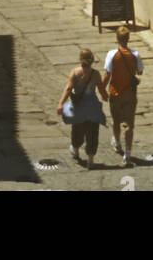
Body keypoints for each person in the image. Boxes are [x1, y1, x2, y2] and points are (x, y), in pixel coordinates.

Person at [57, 49, 108, 169]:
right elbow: (101, 91)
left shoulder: (75, 72)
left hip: (78, 108)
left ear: (80, 59)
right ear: (92, 60)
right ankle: (90, 160)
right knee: (93, 134)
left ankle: (75, 151)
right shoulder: (95, 74)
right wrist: (106, 97)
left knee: (77, 131)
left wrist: (61, 103)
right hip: (92, 109)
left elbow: (68, 89)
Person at [102, 24, 143, 165]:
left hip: (115, 93)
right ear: (128, 38)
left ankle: (117, 142)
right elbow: (139, 71)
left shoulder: (112, 55)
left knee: (116, 121)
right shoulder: (135, 55)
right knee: (129, 124)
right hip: (130, 94)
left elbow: (107, 74)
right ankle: (128, 153)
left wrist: (101, 90)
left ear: (117, 38)